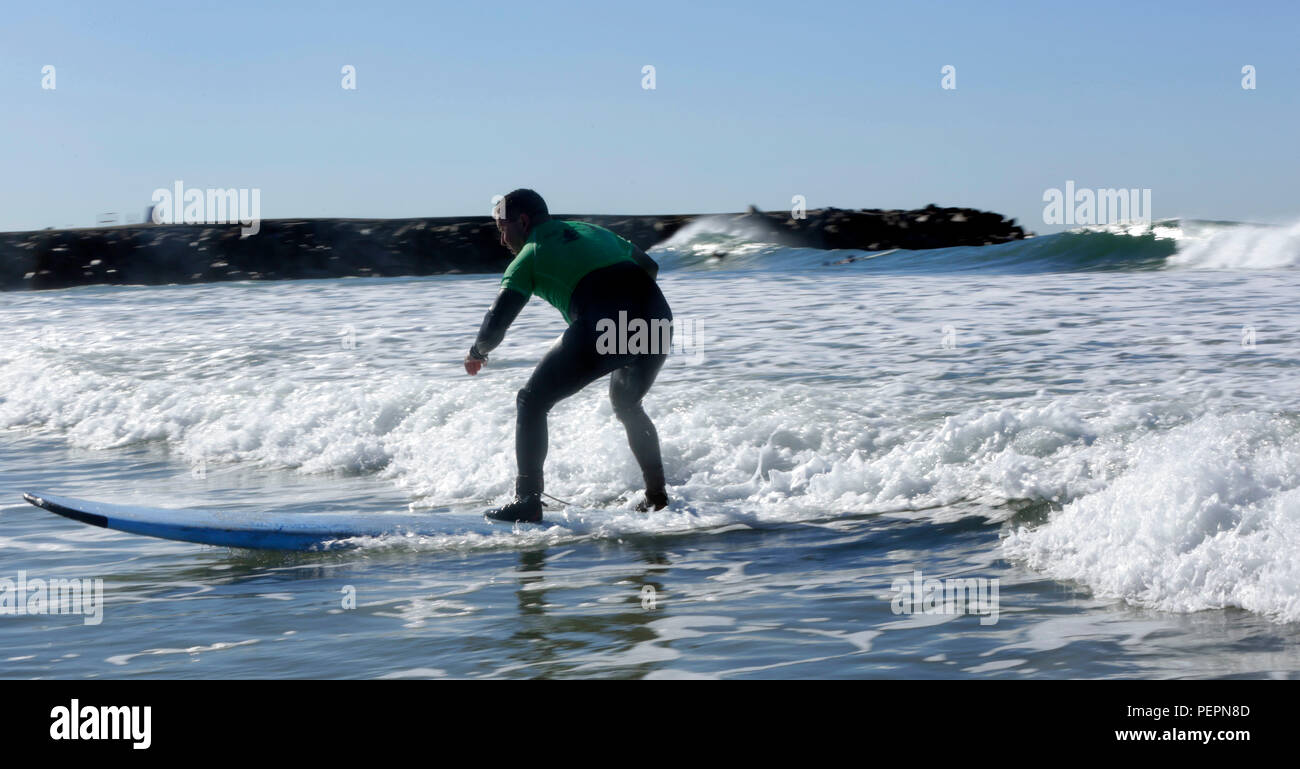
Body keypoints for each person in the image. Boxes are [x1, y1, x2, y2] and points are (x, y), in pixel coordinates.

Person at [466, 189, 673, 522]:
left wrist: (477, 352)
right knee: (628, 404)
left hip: (604, 326)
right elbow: (649, 265)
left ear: (522, 220)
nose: (502, 238)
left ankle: (527, 501)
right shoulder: (593, 231)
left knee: (531, 402)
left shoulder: (530, 255)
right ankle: (657, 497)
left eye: (503, 227)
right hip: (659, 319)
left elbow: (496, 322)